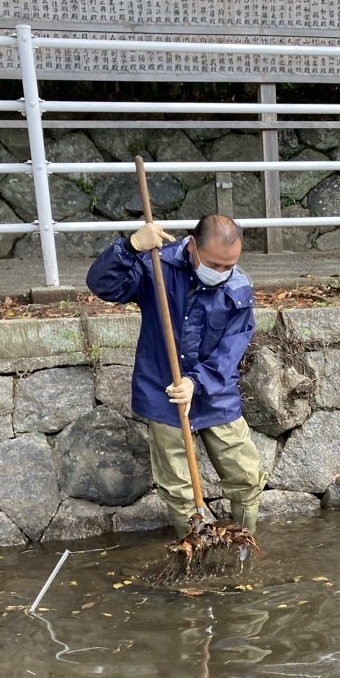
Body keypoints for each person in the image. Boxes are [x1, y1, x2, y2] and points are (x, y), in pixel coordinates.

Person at [86, 212, 266, 535]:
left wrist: (197, 382)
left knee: (245, 473)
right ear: (193, 247)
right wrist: (129, 247)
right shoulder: (157, 265)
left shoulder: (238, 287)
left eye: (230, 265)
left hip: (214, 391)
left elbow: (230, 351)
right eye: (215, 264)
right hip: (163, 389)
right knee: (179, 486)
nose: (223, 273)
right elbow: (103, 285)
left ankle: (244, 547)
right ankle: (193, 547)